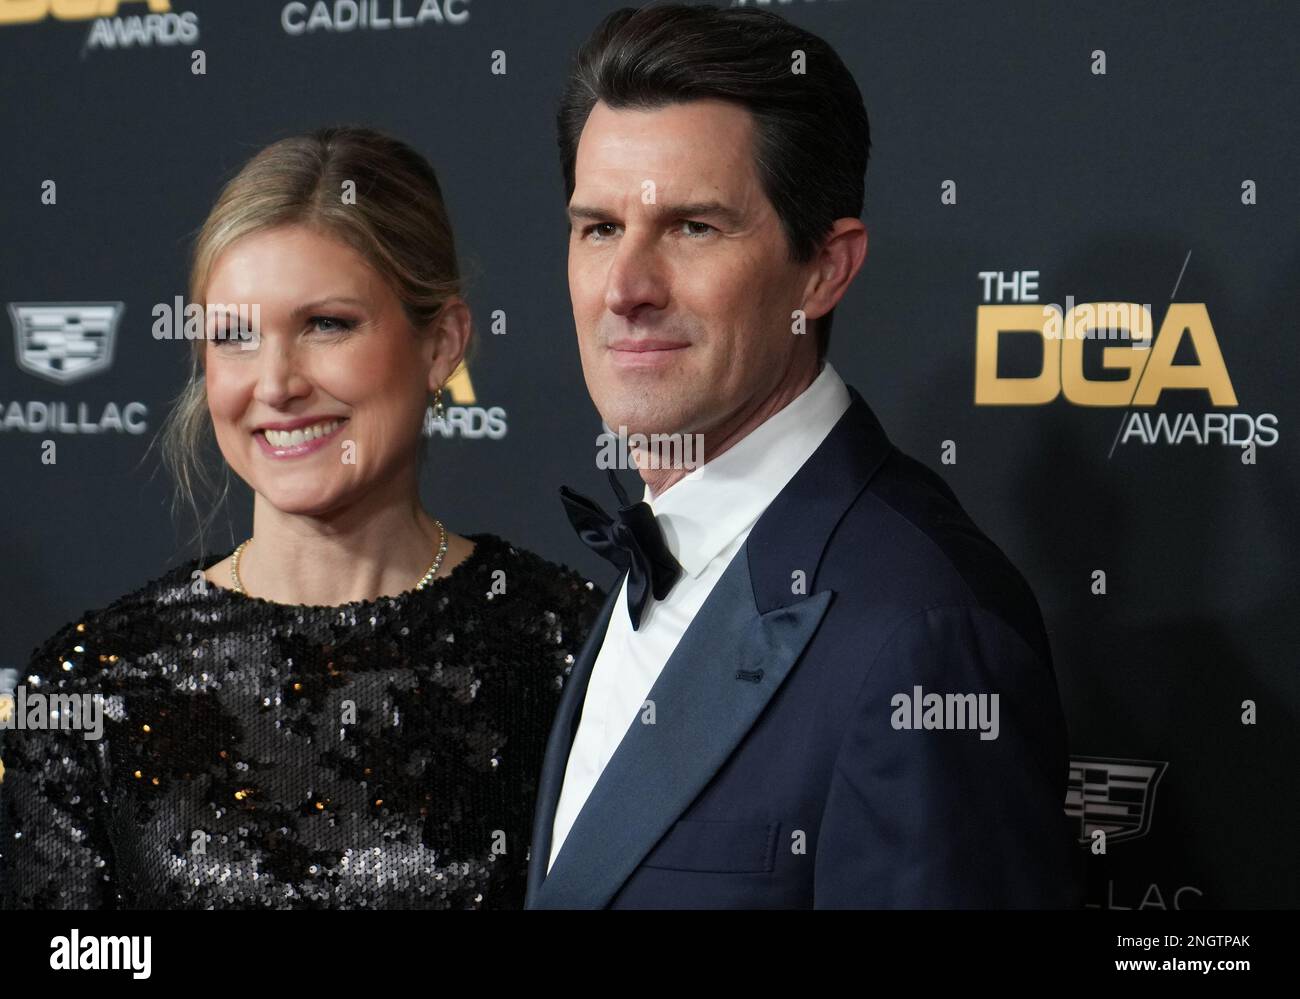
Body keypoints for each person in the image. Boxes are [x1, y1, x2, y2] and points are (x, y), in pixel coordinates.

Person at [527, 5, 1084, 908]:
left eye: (692, 228)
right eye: (598, 229)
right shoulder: (655, 558)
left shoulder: (923, 632)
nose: (624, 287)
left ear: (824, 268)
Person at [0, 125, 603, 910]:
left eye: (326, 324)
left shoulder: (568, 651)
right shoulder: (97, 681)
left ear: (441, 343)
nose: (277, 382)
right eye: (235, 337)